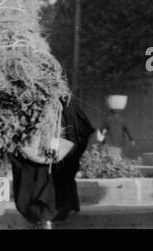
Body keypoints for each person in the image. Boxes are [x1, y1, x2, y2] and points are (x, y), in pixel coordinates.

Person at [11, 94, 97, 229]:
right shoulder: (64, 99)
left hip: (39, 159)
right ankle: (45, 221)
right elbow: (83, 129)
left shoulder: (29, 97)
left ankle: (43, 221)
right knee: (50, 193)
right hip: (54, 157)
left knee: (41, 193)